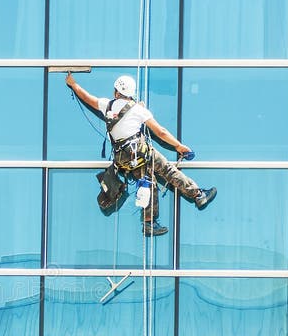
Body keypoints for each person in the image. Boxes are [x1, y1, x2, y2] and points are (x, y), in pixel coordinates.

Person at [66, 72, 217, 236]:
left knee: (148, 183)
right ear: (131, 94)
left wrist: (73, 84)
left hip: (123, 158)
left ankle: (148, 223)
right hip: (139, 151)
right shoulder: (138, 110)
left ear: (116, 91)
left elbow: (87, 97)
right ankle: (198, 194)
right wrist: (179, 146)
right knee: (167, 170)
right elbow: (161, 132)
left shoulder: (107, 105)